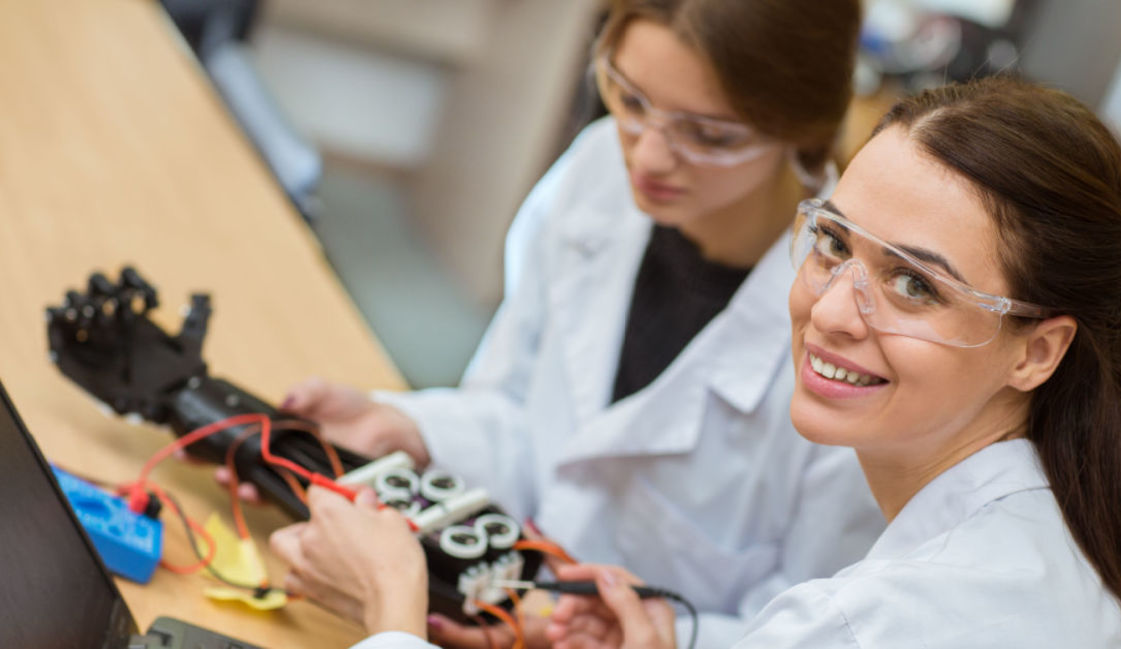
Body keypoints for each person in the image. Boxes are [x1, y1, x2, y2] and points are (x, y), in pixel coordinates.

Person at [269, 77, 1121, 649]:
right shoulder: (1055, 517)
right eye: (837, 245)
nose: (830, 310)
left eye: (915, 287)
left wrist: (391, 606)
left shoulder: (921, 609)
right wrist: (673, 633)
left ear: (1039, 348)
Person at [263, 1, 884, 647]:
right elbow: (515, 410)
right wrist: (414, 429)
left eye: (708, 135)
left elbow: (816, 623)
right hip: (492, 609)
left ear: (803, 128)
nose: (647, 156)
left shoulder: (848, 342)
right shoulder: (598, 173)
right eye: (631, 98)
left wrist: (654, 632)